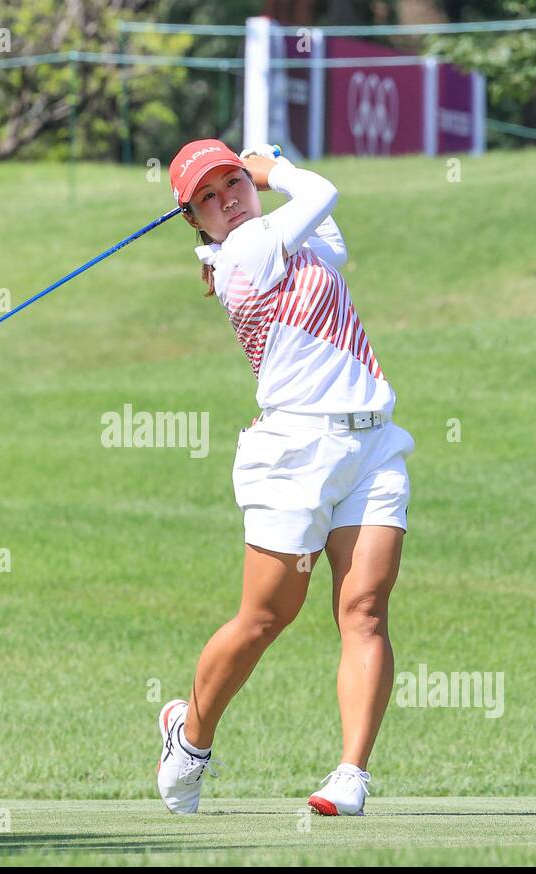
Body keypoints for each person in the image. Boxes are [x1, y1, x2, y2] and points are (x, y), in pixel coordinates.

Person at [155, 139, 416, 816]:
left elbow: (330, 234)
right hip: (295, 452)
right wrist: (276, 171)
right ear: (197, 221)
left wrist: (274, 156)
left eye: (234, 182)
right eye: (208, 198)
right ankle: (190, 737)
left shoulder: (290, 246)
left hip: (372, 445)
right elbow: (321, 194)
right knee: (266, 617)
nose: (227, 199)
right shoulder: (243, 253)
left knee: (364, 611)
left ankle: (351, 775)